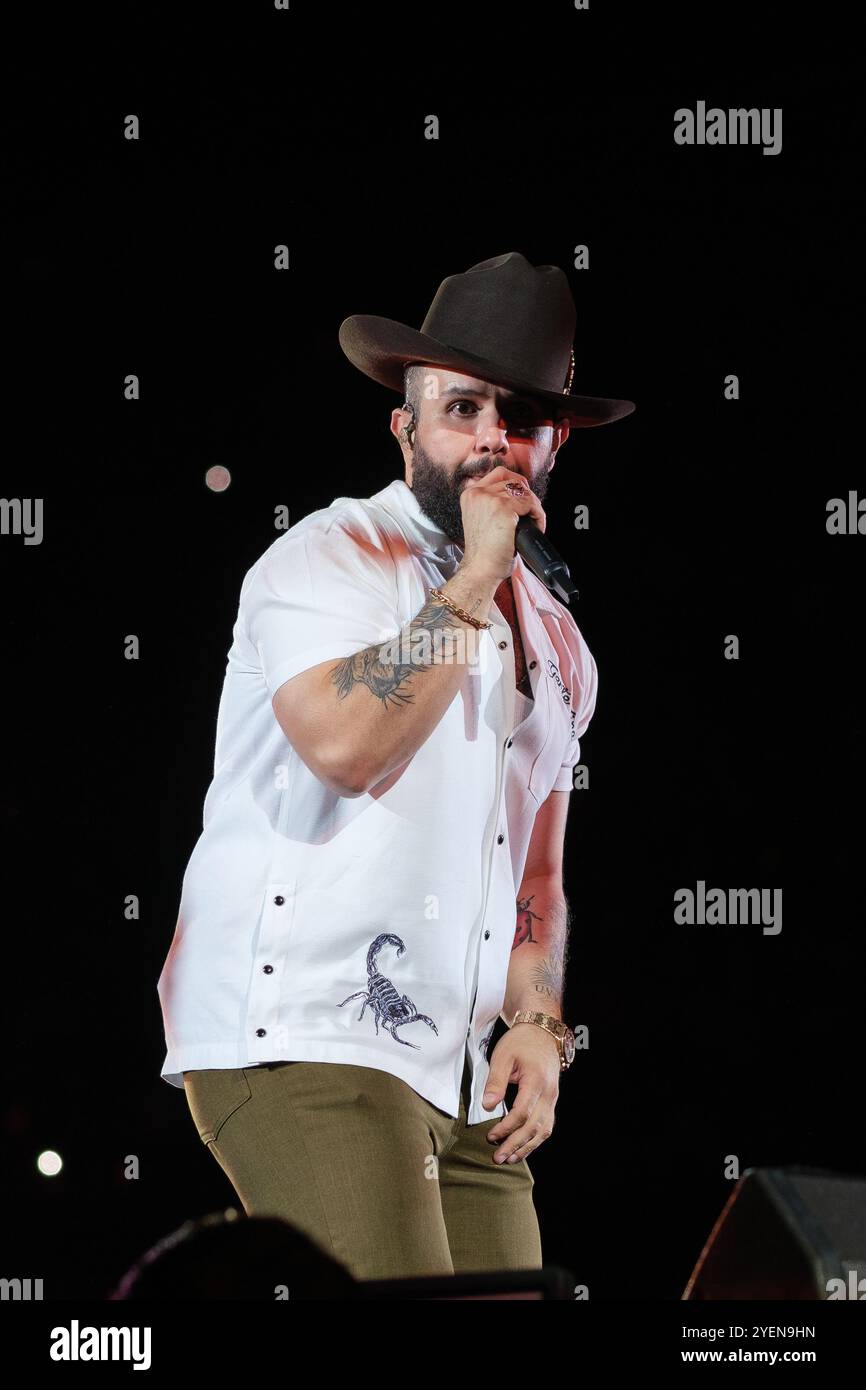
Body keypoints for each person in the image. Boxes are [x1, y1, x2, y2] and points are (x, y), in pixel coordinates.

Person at [157, 251, 635, 1282]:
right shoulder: (327, 559)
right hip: (304, 1032)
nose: (490, 438)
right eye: (461, 408)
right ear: (404, 426)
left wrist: (542, 1028)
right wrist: (471, 579)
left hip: (460, 1072)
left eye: (522, 417)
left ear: (556, 444)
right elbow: (344, 749)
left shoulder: (560, 645)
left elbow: (535, 885)